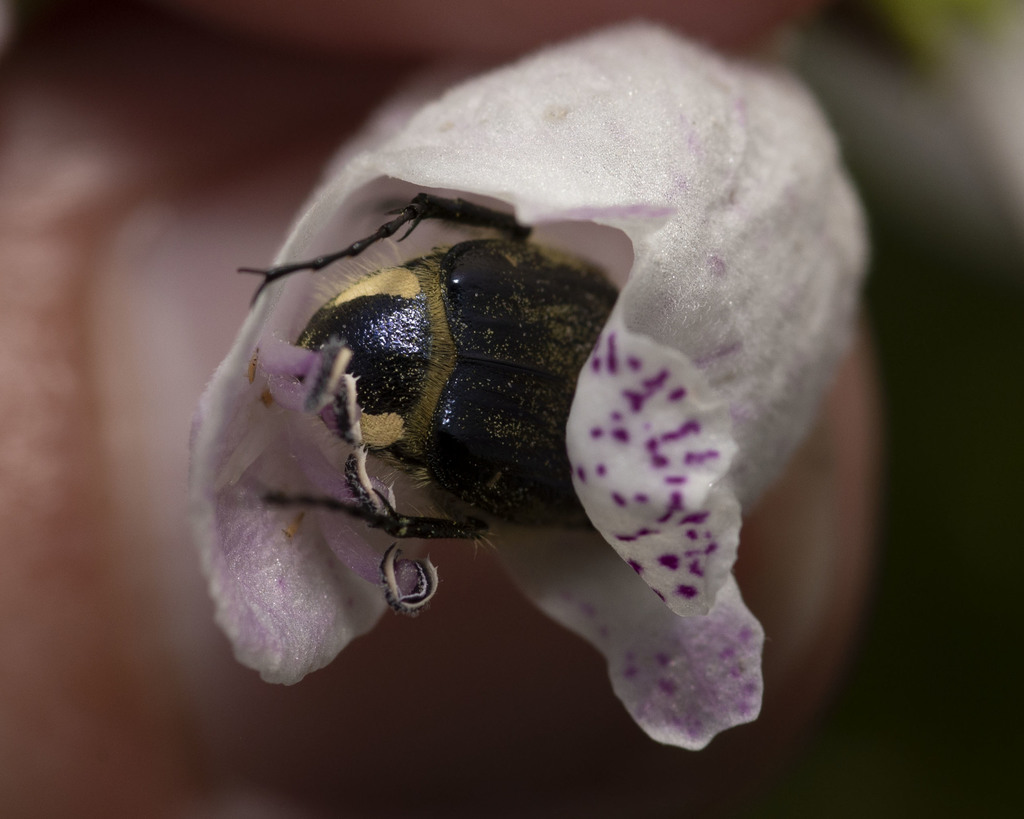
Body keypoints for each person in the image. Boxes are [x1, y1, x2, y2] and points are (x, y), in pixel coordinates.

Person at [0, 1, 878, 815]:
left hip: (513, 339)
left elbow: (480, 247)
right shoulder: (456, 298)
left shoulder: (445, 300)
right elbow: (499, 247)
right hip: (518, 339)